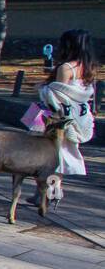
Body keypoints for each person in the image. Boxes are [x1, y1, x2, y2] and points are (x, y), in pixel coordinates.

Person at [33, 28, 96, 176]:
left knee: (51, 152)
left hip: (60, 116)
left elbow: (58, 95)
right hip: (79, 115)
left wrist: (43, 88)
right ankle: (51, 192)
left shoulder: (66, 68)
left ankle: (48, 193)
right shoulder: (89, 67)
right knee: (65, 152)